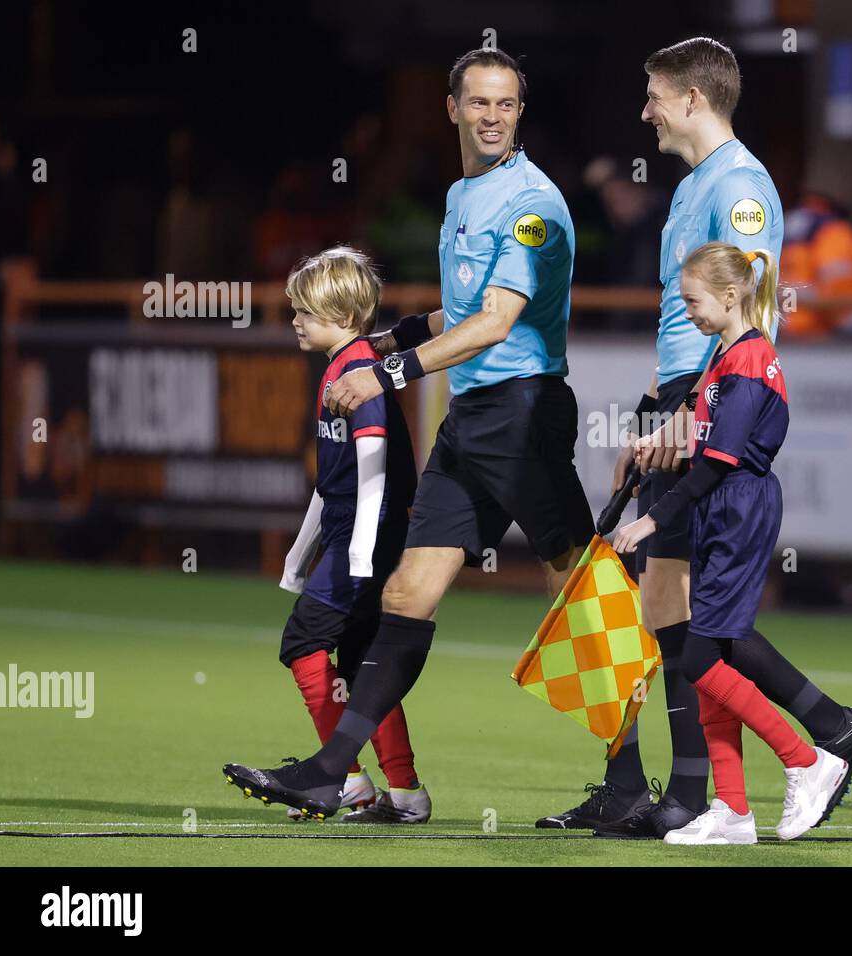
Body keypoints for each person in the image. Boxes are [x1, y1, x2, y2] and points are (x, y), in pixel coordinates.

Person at [223, 48, 596, 819]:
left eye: (507, 104)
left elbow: (496, 322)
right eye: (480, 102)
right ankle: (338, 772)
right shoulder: (465, 194)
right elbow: (461, 316)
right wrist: (394, 338)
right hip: (475, 421)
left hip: (524, 415)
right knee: (406, 591)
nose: (493, 115)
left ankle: (642, 780)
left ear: (519, 113)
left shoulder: (531, 202)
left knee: (585, 606)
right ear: (452, 107)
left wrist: (388, 374)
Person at [539, 37, 852, 840]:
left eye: (654, 94)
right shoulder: (697, 185)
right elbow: (689, 319)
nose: (645, 110)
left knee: (694, 619)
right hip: (680, 403)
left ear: (694, 98)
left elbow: (754, 316)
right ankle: (713, 787)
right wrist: (657, 412)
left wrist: (692, 418)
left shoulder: (742, 185)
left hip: (707, 410)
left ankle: (810, 739)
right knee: (667, 604)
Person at [614, 242, 847, 844]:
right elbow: (709, 444)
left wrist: (651, 520)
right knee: (706, 657)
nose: (687, 312)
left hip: (739, 508)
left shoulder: (748, 360)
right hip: (724, 506)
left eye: (692, 301)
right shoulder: (725, 357)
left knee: (697, 658)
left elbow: (719, 460)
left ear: (729, 295)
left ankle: (806, 759)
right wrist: (658, 441)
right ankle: (734, 810)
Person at [275, 246, 429, 824]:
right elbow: (333, 480)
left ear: (342, 318)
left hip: (364, 538)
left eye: (305, 312)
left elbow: (373, 465)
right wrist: (299, 552)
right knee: (364, 660)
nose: (295, 320)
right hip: (355, 532)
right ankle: (405, 792)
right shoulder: (340, 366)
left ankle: (344, 780)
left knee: (302, 644)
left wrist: (360, 551)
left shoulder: (355, 371)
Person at [779, 191, 852, 337]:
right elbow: (839, 286)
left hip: (789, 331)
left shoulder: (786, 229)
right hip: (831, 333)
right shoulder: (838, 234)